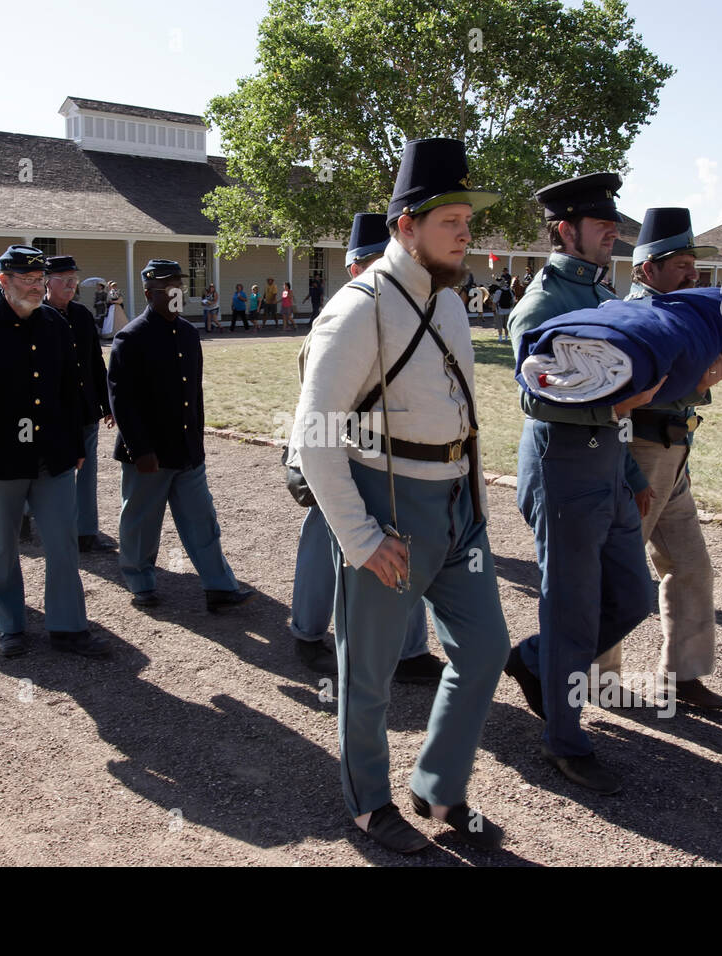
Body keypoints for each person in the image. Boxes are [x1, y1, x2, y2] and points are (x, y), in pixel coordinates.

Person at [290, 138, 510, 853]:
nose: (465, 233)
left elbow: (464, 414)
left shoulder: (446, 300)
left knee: (484, 650)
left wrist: (475, 506)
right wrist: (358, 537)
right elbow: (314, 435)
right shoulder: (357, 310)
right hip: (387, 507)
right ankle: (368, 803)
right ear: (405, 226)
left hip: (455, 507)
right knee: (371, 674)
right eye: (452, 220)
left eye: (468, 222)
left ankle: (438, 786)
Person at [502, 172, 661, 796]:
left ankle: (537, 661)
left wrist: (629, 472)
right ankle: (565, 741)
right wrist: (626, 407)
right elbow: (539, 399)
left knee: (632, 599)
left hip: (607, 473)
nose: (614, 235)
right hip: (562, 473)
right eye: (603, 226)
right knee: (571, 614)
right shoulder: (540, 307)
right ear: (566, 230)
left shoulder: (599, 295)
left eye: (614, 225)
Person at [288, 212, 443, 684]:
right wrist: (308, 463)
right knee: (325, 538)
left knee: (401, 544)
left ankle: (409, 649)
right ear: (355, 267)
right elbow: (314, 406)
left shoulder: (410, 310)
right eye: (373, 262)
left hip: (390, 456)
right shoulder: (342, 315)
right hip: (339, 449)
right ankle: (308, 633)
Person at [592, 208, 722, 710]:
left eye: (695, 265)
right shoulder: (633, 319)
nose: (693, 275)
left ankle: (683, 675)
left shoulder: (687, 315)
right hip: (640, 451)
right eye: (681, 265)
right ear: (646, 270)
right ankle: (599, 679)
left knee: (691, 566)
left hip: (678, 449)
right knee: (621, 569)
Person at [0, 244, 110, 657]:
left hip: (51, 455)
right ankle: (11, 626)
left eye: (40, 281)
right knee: (2, 545)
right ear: (3, 281)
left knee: (62, 541)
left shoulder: (54, 323)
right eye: (28, 281)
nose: (37, 288)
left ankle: (68, 628)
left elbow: (70, 391)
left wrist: (75, 444)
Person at [108, 258, 253, 613]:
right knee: (141, 523)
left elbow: (195, 395)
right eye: (166, 288)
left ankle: (219, 587)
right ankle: (141, 582)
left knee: (203, 521)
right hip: (149, 454)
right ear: (148, 293)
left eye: (179, 286)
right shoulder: (131, 338)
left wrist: (198, 443)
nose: (175, 293)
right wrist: (139, 449)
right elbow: (121, 402)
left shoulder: (189, 334)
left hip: (187, 450)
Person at [44, 254, 117, 555]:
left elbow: (95, 364)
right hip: (52, 413)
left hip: (84, 409)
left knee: (87, 474)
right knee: (49, 473)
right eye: (64, 279)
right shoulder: (37, 317)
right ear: (47, 281)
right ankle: (36, 521)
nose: (70, 285)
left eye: (73, 279)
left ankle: (86, 532)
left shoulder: (83, 315)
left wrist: (107, 403)